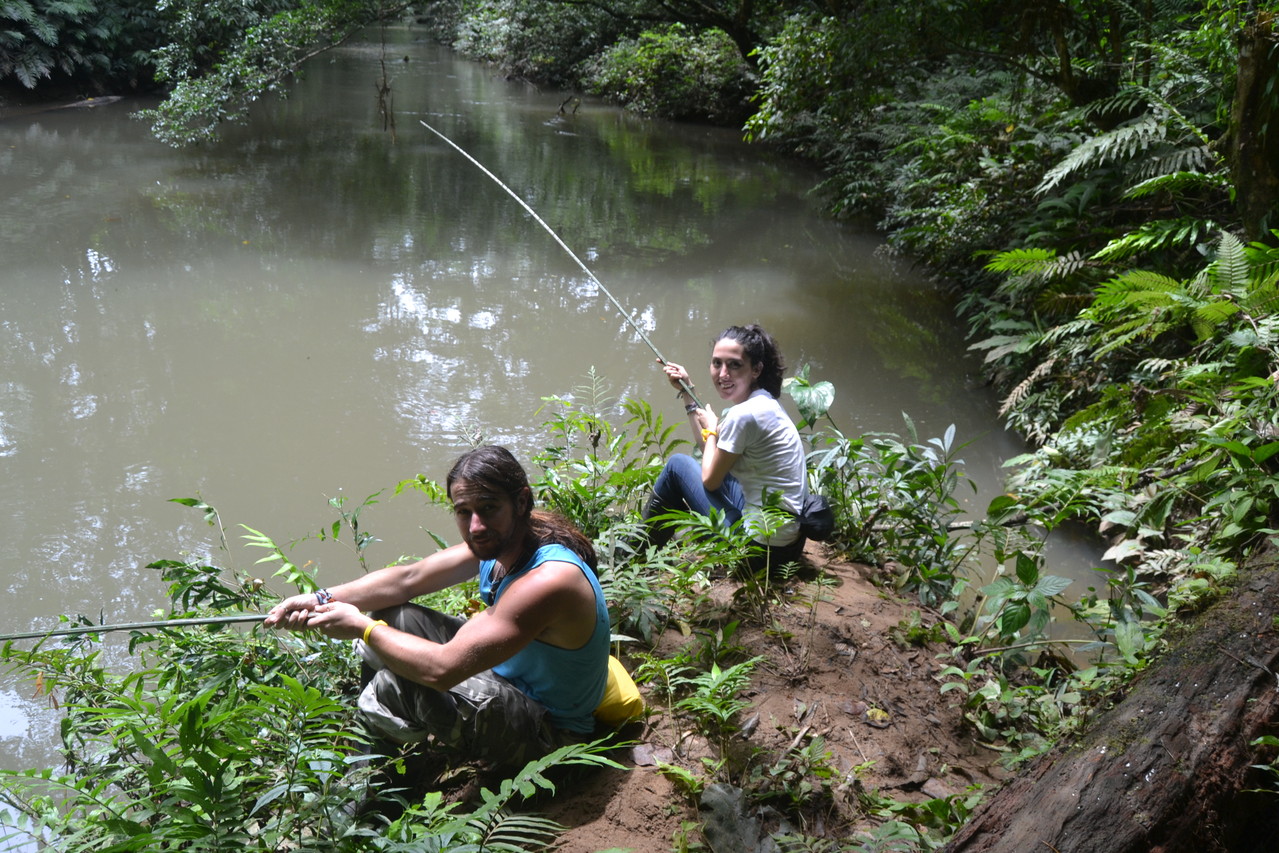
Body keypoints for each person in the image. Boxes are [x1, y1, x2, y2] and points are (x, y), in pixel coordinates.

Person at [264, 445, 611, 778]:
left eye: (488, 507)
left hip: (551, 737)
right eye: (464, 511)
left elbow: (442, 670)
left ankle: (363, 796)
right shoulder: (502, 541)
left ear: (520, 501)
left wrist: (361, 628)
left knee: (399, 683)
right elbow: (408, 578)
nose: (475, 525)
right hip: (511, 682)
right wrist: (320, 598)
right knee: (393, 616)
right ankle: (386, 740)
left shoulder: (549, 579)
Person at [643, 323, 808, 568]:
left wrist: (711, 429)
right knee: (710, 470)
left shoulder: (743, 415)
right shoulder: (764, 402)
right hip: (788, 544)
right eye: (717, 363)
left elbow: (709, 479)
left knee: (678, 466)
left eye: (734, 365)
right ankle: (647, 549)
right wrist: (688, 392)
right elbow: (711, 454)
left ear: (756, 369)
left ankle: (636, 553)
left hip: (758, 552)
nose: (722, 374)